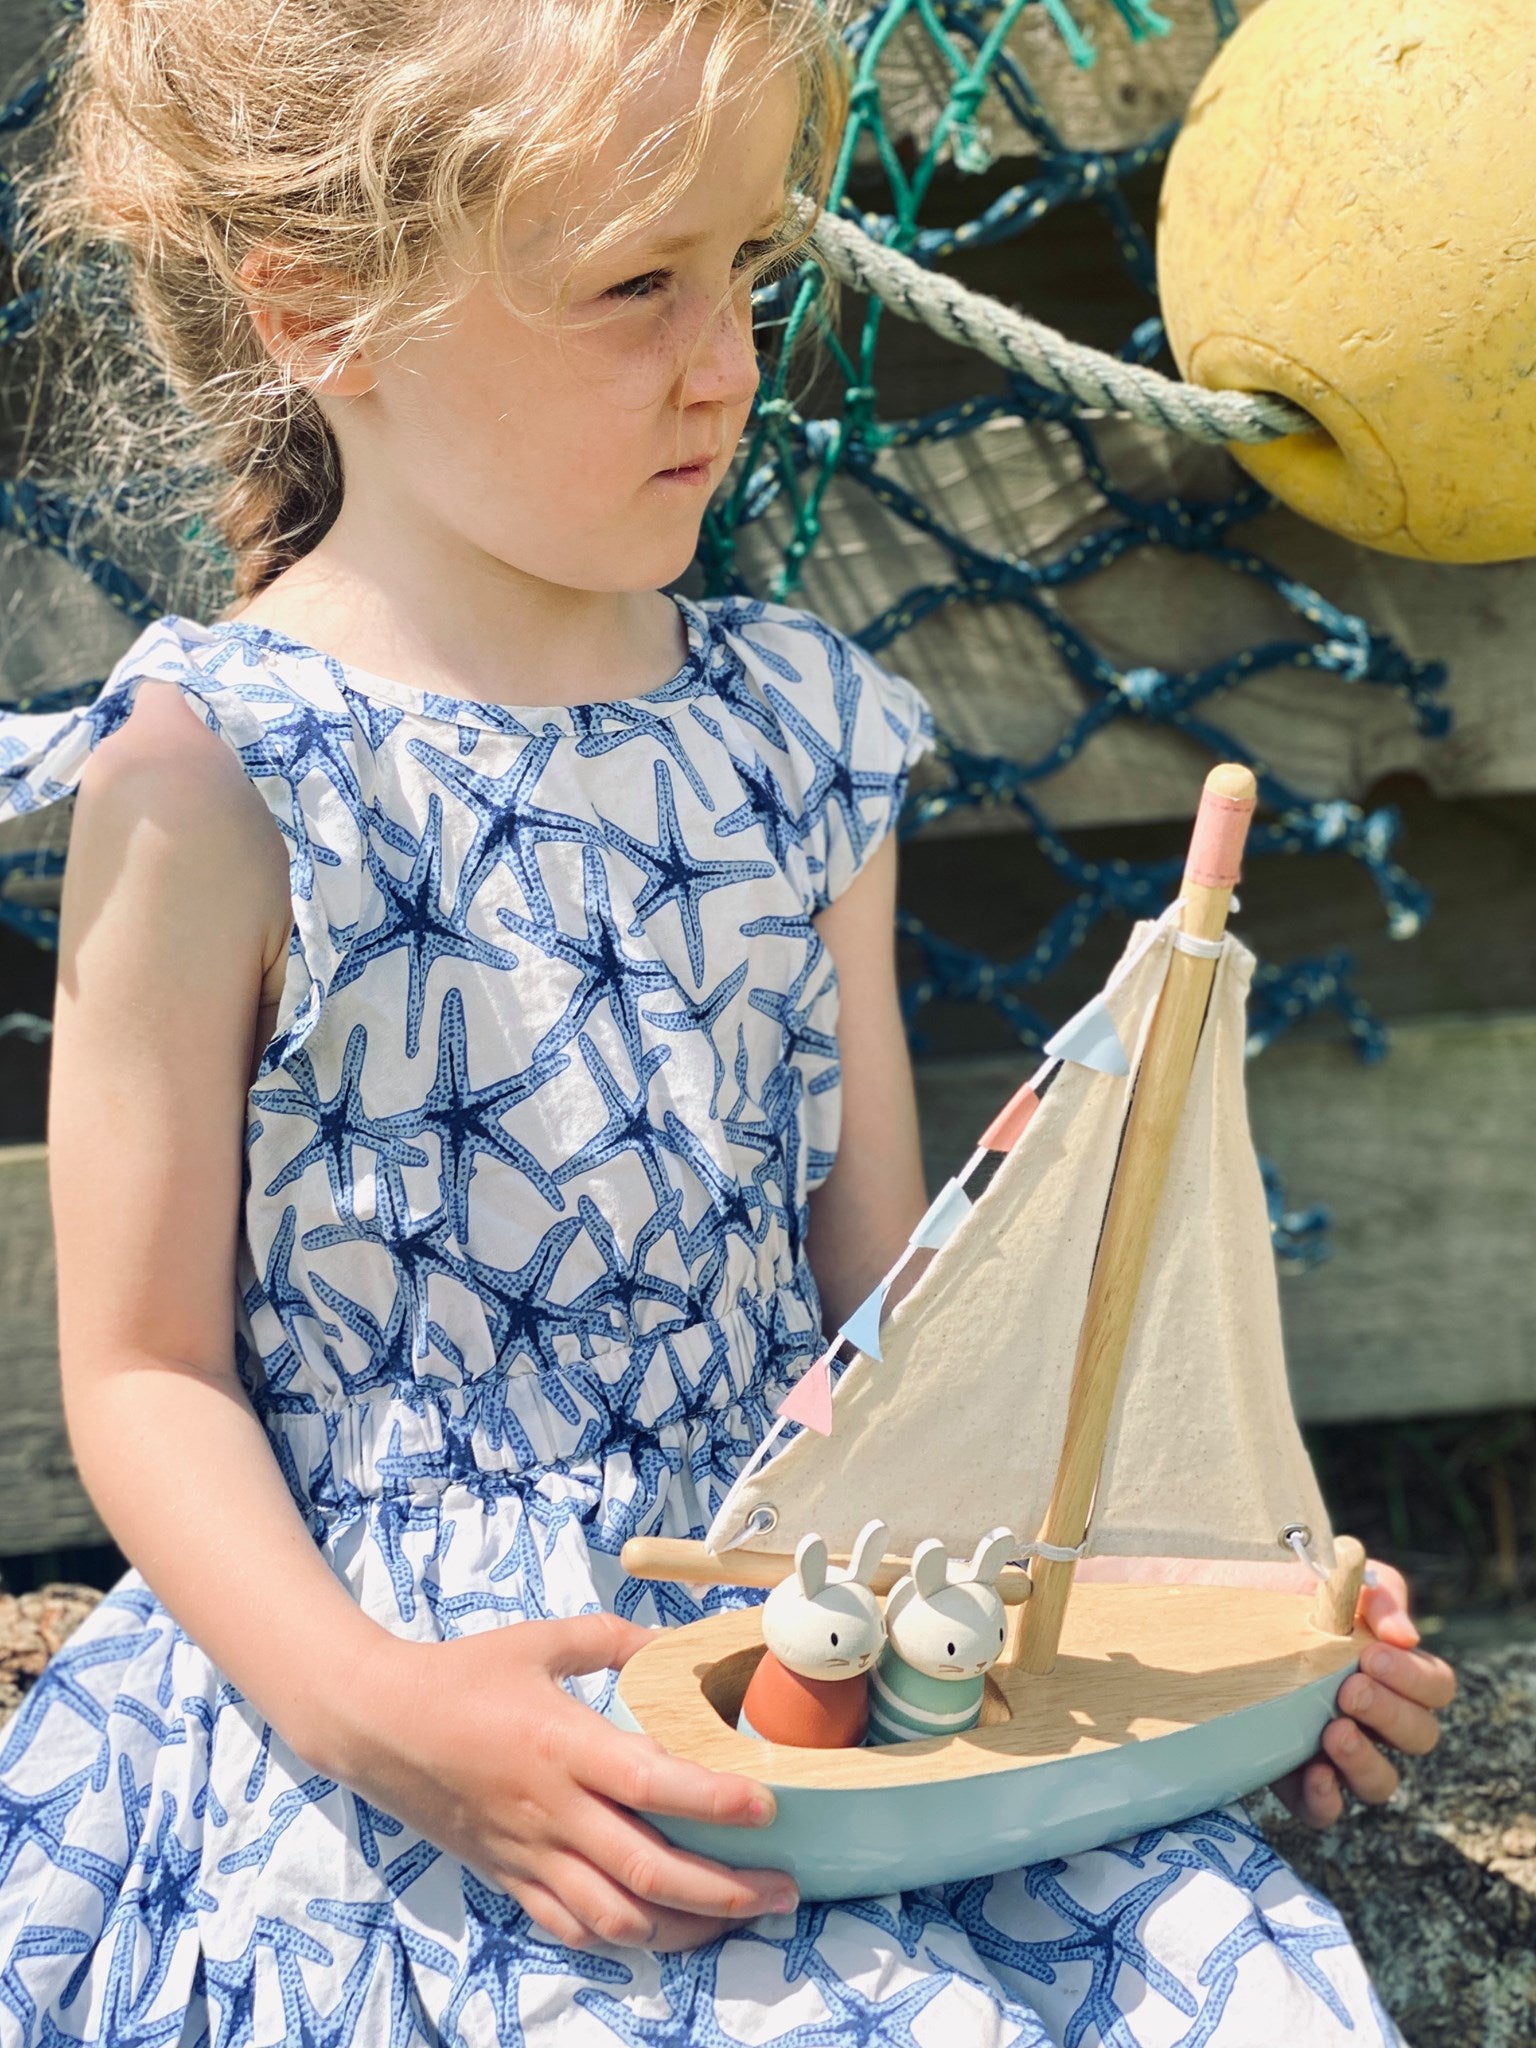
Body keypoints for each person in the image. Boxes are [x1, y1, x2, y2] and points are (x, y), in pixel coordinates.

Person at [0, 1, 1456, 2041]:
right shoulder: (217, 774)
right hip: (433, 1723)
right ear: (321, 310)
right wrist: (379, 1712)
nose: (730, 363)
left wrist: (1204, 1643)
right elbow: (145, 1372)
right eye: (636, 285)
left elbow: (898, 1326)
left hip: (817, 1645)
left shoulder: (795, 735)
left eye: (748, 264)